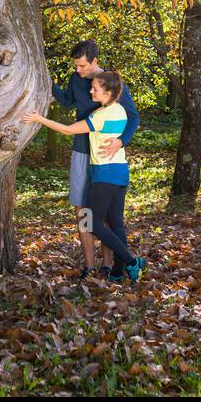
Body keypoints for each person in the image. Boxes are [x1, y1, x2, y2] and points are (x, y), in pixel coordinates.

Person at [24, 70, 145, 284]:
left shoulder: (99, 116)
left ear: (108, 92)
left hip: (103, 177)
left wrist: (39, 118)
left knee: (91, 223)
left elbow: (69, 129)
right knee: (116, 223)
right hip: (121, 174)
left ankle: (130, 261)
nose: (90, 90)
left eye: (95, 89)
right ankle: (118, 271)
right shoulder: (119, 111)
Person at [49, 40, 139, 276]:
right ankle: (89, 266)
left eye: (81, 66)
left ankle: (109, 265)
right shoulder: (76, 79)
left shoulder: (110, 84)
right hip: (81, 150)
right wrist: (47, 84)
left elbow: (133, 118)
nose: (78, 71)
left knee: (108, 215)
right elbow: (67, 101)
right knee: (83, 211)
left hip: (106, 156)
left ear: (94, 61)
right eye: (76, 66)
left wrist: (121, 141)